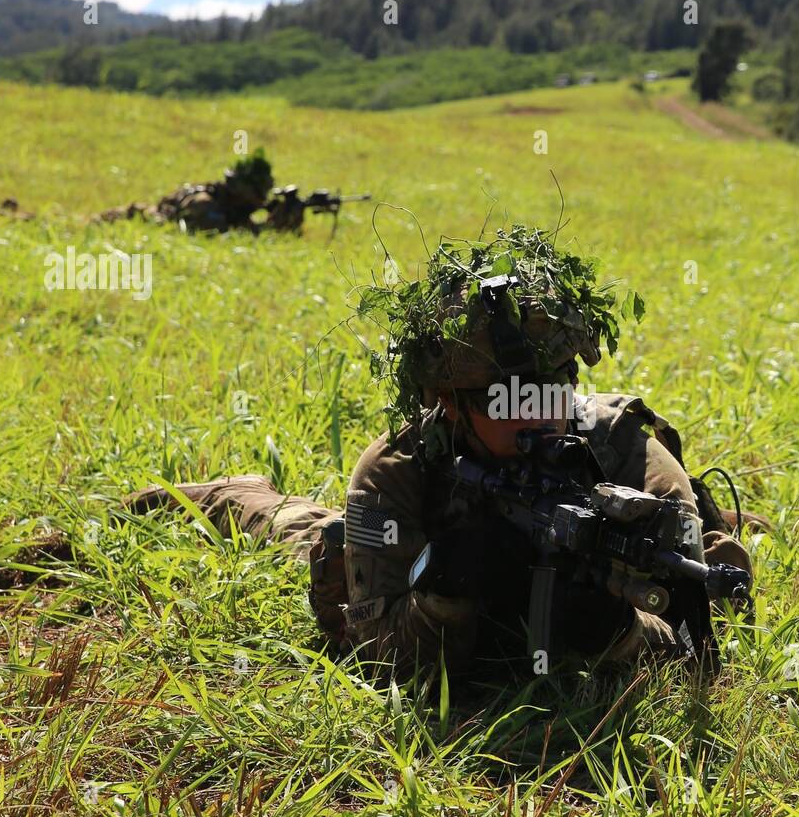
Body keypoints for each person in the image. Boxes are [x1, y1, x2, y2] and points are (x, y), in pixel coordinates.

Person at [126, 227, 754, 683]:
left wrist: (620, 637)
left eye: (550, 390)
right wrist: (445, 596)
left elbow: (702, 631)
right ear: (449, 406)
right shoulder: (397, 471)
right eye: (503, 401)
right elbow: (378, 652)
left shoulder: (622, 452)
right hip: (414, 545)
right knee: (301, 529)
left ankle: (733, 516)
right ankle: (234, 491)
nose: (533, 414)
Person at [94, 149, 275, 233]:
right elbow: (213, 231)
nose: (261, 200)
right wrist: (261, 229)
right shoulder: (204, 203)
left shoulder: (231, 206)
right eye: (257, 193)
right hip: (157, 218)